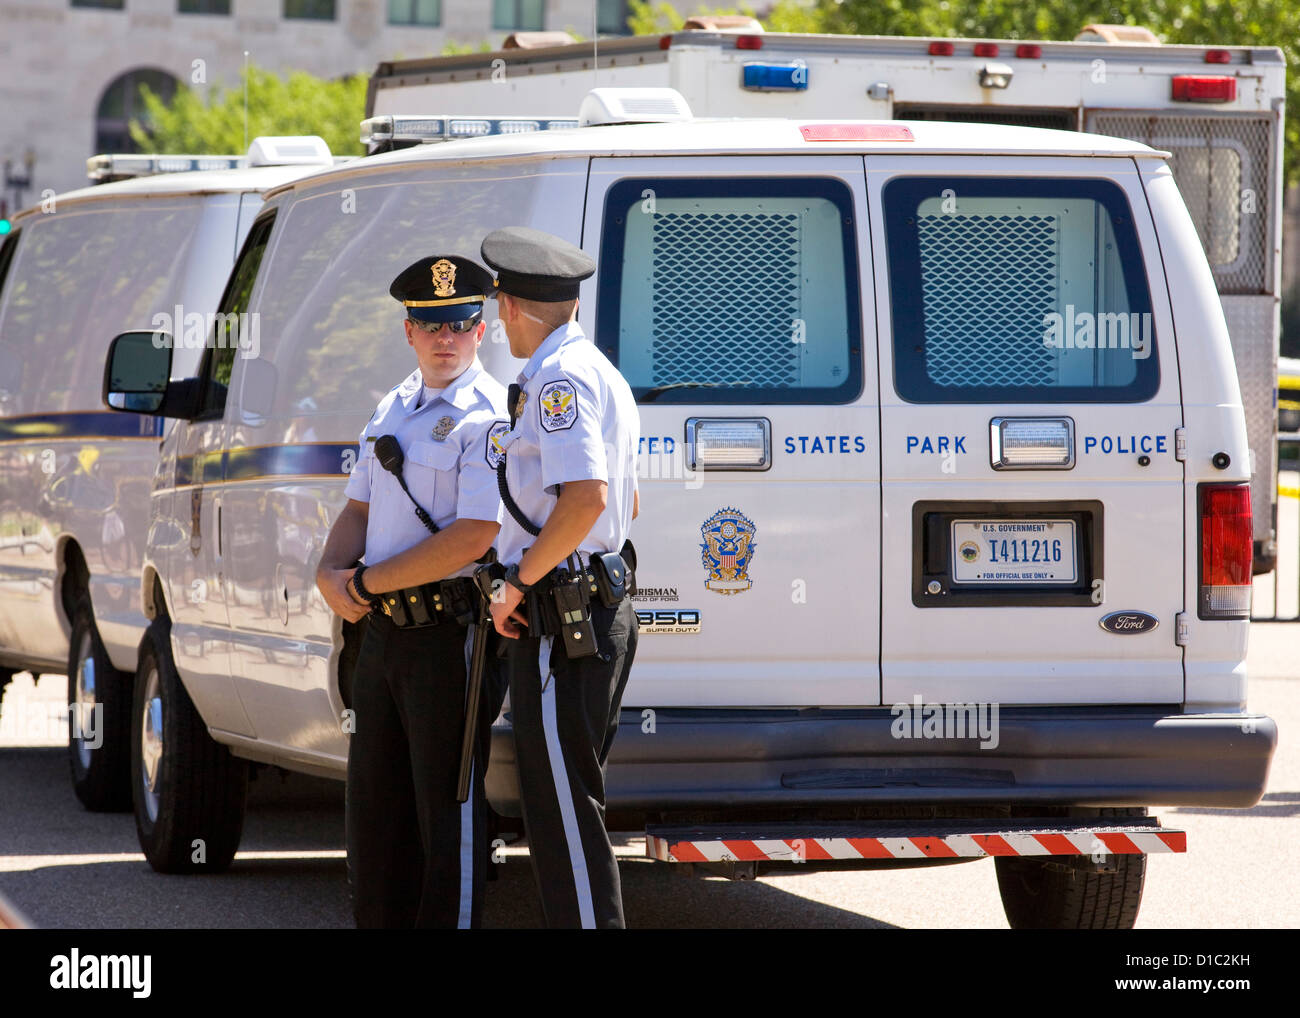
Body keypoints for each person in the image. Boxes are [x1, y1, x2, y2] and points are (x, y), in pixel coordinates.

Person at [314, 255, 506, 929]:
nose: (445, 339)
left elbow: (475, 536)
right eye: (431, 326)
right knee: (374, 811)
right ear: (408, 332)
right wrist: (327, 572)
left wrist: (362, 581)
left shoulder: (488, 416)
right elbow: (360, 509)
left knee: (444, 817)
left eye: (459, 324)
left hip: (449, 640)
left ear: (481, 330)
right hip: (384, 637)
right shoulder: (393, 405)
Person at [481, 226, 640, 929]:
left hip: (562, 617)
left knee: (562, 812)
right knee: (567, 803)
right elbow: (624, 501)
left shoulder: (559, 379)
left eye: (495, 308)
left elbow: (587, 500)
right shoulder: (595, 367)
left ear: (510, 305)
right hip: (587, 606)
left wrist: (516, 581)